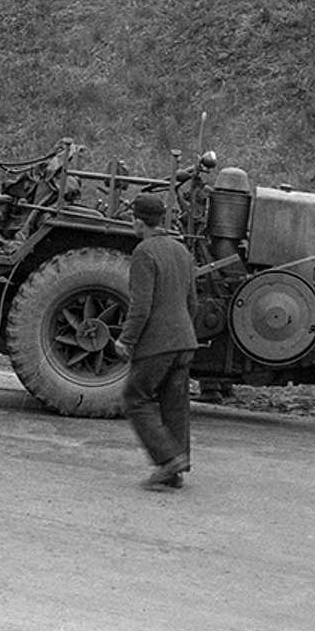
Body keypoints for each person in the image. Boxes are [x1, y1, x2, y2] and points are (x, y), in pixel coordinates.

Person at [114, 192, 198, 491]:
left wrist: (126, 340)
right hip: (184, 341)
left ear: (138, 222)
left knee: (135, 398)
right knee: (174, 404)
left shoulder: (144, 252)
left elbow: (141, 306)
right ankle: (177, 466)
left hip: (157, 344)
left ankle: (167, 459)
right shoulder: (181, 251)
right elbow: (192, 302)